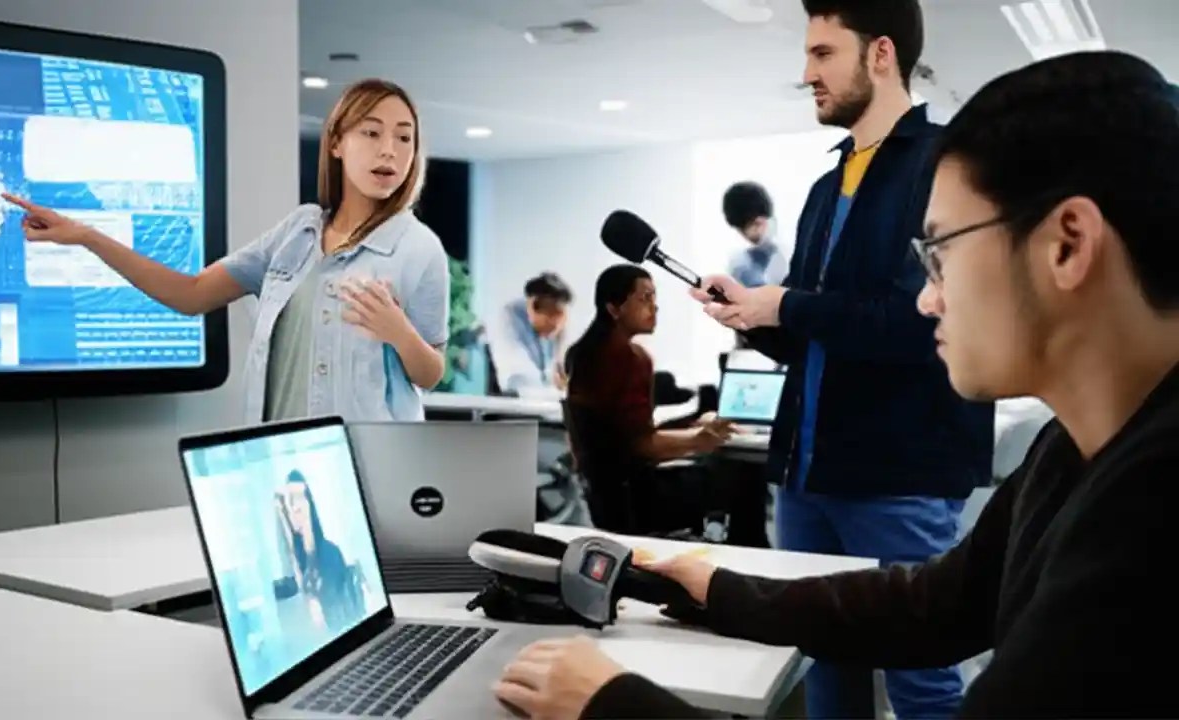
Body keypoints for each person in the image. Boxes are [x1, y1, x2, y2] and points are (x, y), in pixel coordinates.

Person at [491, 49, 1179, 720]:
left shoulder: (1149, 518)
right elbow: (937, 603)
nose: (927, 298)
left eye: (941, 252)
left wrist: (612, 705)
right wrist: (725, 591)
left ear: (1066, 244)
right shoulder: (1074, 449)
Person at [691, 2, 1001, 716]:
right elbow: (815, 335)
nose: (808, 73)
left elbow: (920, 322)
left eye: (823, 54)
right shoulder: (825, 189)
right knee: (821, 666)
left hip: (900, 474)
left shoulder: (944, 166)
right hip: (808, 475)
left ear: (881, 54)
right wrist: (754, 316)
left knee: (920, 677)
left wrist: (786, 306)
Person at [2, 78, 449, 424]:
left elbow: (430, 373)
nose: (389, 151)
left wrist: (398, 332)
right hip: (281, 459)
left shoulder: (419, 249)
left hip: (368, 469)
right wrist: (87, 236)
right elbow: (191, 294)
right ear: (336, 143)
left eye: (404, 138)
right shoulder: (298, 232)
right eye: (371, 133)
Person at [562, 265, 737, 536]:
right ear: (614, 308)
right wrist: (698, 439)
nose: (654, 307)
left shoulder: (580, 353)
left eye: (654, 298)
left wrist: (692, 430)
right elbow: (642, 445)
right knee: (733, 473)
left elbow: (620, 434)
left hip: (604, 499)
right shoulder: (629, 358)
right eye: (645, 298)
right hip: (635, 498)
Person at [273, 470, 363, 632]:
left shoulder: (330, 553)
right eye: (289, 501)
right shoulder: (292, 574)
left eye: (300, 497)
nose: (296, 507)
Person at [490, 272, 573, 396]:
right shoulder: (509, 318)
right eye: (551, 316)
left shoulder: (553, 328)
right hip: (517, 398)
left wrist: (560, 351)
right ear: (532, 306)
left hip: (542, 398)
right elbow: (522, 381)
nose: (556, 326)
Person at [722, 181, 788, 290]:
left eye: (757, 224)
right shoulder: (739, 264)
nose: (750, 234)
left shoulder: (788, 253)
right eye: (742, 230)